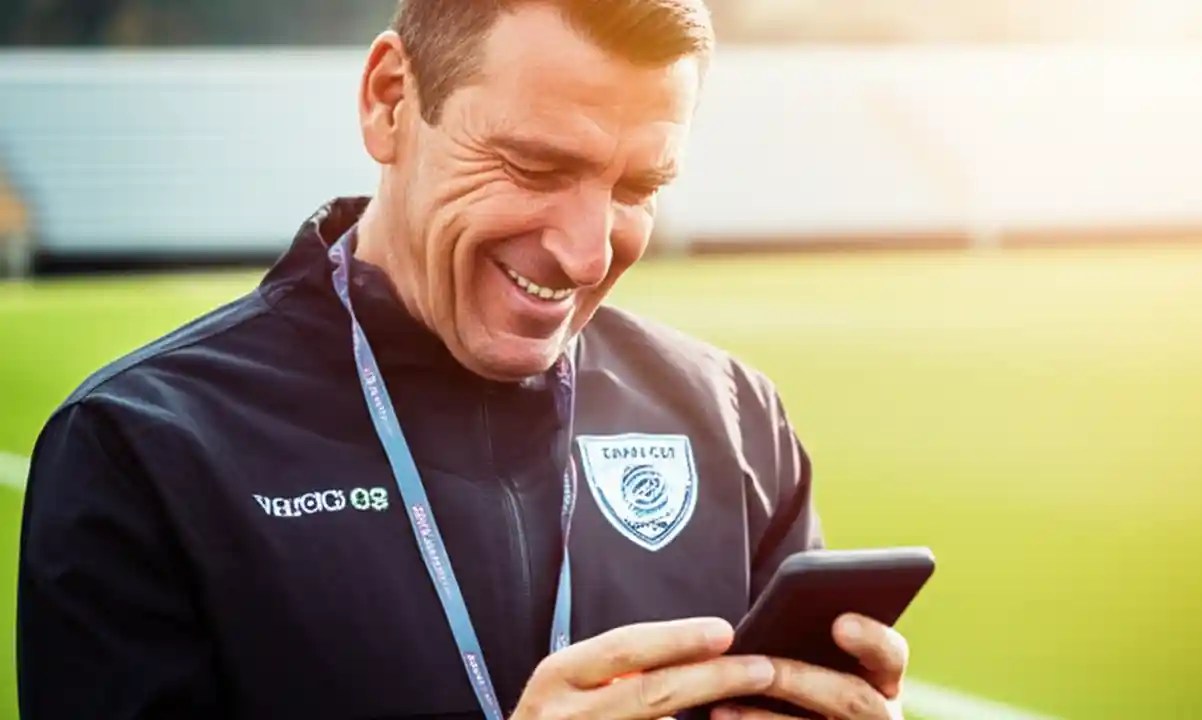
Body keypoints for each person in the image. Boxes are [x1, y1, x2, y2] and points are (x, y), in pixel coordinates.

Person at [17, 1, 911, 718]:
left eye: (637, 188)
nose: (588, 253)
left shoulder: (733, 421)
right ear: (391, 100)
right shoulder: (143, 450)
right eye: (532, 164)